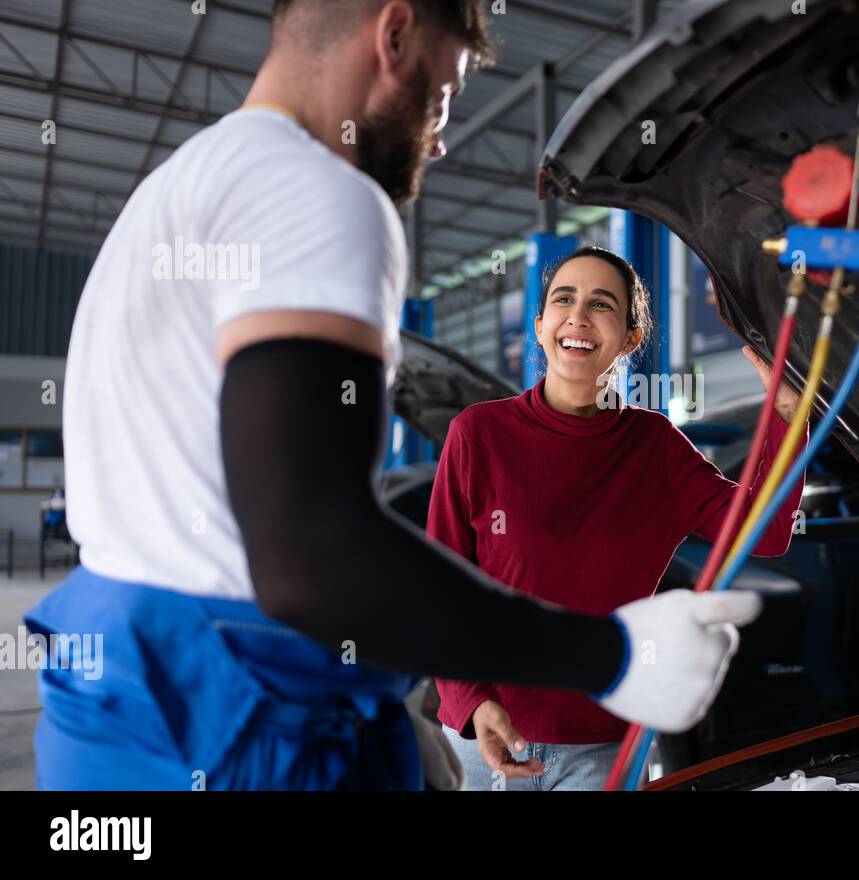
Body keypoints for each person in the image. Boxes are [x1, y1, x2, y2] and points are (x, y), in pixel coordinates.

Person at [24, 0, 760, 791]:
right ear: (395, 33)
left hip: (111, 708)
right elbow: (312, 556)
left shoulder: (168, 195)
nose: (440, 136)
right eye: (443, 92)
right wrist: (612, 657)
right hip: (245, 720)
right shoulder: (315, 186)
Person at [429, 247, 807, 790]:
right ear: (539, 327)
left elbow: (765, 532)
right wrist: (471, 702)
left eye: (601, 304)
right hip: (482, 739)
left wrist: (788, 420)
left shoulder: (655, 447)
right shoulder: (478, 434)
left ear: (630, 338)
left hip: (604, 746)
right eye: (564, 299)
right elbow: (440, 586)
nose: (578, 316)